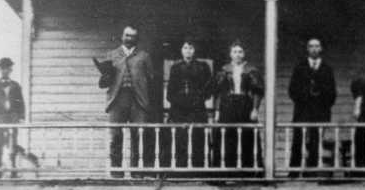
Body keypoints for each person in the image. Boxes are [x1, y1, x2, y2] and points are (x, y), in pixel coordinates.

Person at [100, 25, 155, 172]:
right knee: (116, 135)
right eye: (127, 35)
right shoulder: (111, 55)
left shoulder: (144, 56)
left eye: (132, 36)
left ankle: (136, 171)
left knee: (138, 135)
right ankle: (116, 171)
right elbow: (103, 82)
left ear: (137, 39)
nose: (129, 39)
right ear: (122, 36)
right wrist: (105, 77)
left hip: (138, 100)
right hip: (117, 100)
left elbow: (151, 79)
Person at [212, 40, 264, 171]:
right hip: (228, 106)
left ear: (244, 53)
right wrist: (217, 110)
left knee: (247, 136)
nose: (237, 54)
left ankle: (248, 172)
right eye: (234, 52)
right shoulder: (224, 70)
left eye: (240, 51)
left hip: (245, 105)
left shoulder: (251, 70)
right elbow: (218, 92)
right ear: (230, 54)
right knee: (227, 137)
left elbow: (258, 92)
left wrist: (255, 109)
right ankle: (226, 172)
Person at [288, 37, 337, 173]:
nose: (314, 49)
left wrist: (321, 99)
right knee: (298, 140)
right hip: (302, 110)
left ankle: (312, 171)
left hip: (320, 111)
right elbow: (292, 90)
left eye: (317, 46)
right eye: (311, 46)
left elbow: (332, 93)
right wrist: (305, 96)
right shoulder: (299, 67)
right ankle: (294, 171)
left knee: (316, 141)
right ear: (307, 49)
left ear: (321, 48)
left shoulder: (327, 69)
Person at [165, 38, 212, 169]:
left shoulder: (203, 67)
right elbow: (170, 93)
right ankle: (181, 169)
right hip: (179, 109)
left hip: (197, 108)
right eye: (185, 48)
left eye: (191, 48)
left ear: (195, 50)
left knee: (198, 136)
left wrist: (196, 100)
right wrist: (180, 102)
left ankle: (198, 168)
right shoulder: (175, 68)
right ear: (181, 50)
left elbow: (208, 89)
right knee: (180, 138)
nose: (188, 51)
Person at [0, 57, 29, 176]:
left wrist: (21, 116)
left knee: (13, 142)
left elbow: (21, 102)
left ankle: (13, 167)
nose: (5, 71)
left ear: (10, 70)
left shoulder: (16, 85)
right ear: (0, 70)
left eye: (8, 68)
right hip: (0, 118)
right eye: (3, 69)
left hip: (13, 117)